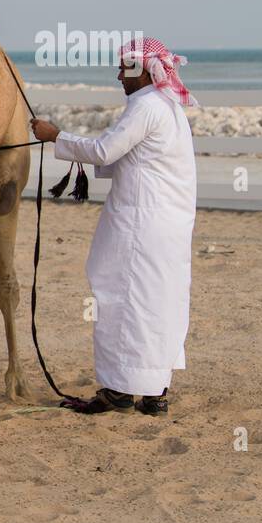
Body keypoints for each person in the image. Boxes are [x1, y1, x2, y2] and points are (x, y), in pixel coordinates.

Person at [29, 37, 197, 416]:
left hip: (142, 225)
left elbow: (106, 151)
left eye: (124, 68)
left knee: (121, 297)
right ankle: (154, 392)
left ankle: (119, 391)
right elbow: (126, 157)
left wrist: (56, 136)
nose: (119, 75)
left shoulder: (147, 106)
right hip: (166, 226)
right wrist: (75, 147)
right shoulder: (167, 106)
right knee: (159, 303)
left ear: (143, 70)